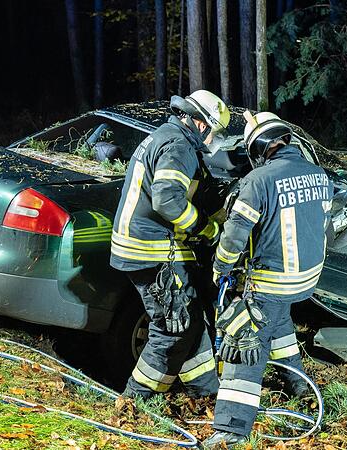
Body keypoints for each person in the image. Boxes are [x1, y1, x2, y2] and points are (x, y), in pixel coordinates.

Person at [202, 112, 333, 447]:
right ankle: (298, 384)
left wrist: (220, 269)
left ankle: (232, 429)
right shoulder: (319, 175)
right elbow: (324, 227)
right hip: (307, 280)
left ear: (257, 148)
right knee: (276, 321)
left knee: (243, 343)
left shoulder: (257, 181)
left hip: (273, 283)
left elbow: (233, 237)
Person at [110, 90, 230, 398]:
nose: (213, 139)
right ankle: (134, 401)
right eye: (214, 131)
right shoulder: (178, 146)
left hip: (146, 247)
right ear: (201, 123)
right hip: (152, 252)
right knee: (170, 330)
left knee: (189, 325)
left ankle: (206, 394)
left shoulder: (165, 135)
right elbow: (167, 199)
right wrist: (206, 228)